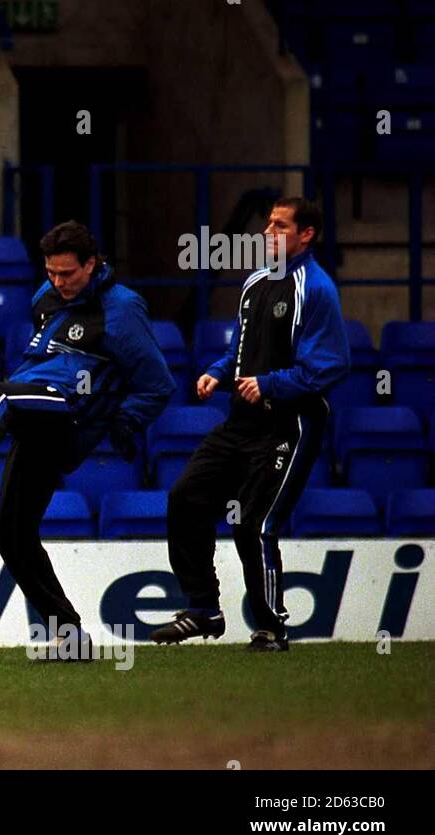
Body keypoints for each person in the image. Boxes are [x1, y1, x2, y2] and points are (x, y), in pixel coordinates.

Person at [0, 221, 175, 659]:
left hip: (69, 415)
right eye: (51, 272)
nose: (58, 282)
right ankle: (70, 637)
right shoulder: (45, 299)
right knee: (12, 534)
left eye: (68, 273)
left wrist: (119, 423)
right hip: (37, 412)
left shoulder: (122, 310)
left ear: (92, 263)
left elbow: (158, 384)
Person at [153, 198, 349, 652]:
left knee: (254, 523)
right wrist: (218, 372)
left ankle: (271, 628)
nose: (268, 232)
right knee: (186, 498)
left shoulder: (315, 290)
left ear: (306, 235)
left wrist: (270, 384)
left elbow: (332, 366)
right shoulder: (256, 282)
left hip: (288, 424)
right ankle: (203, 609)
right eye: (268, 224)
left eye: (280, 226)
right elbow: (242, 350)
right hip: (240, 423)